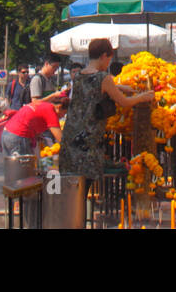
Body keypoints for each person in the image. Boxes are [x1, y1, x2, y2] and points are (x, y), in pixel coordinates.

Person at [59, 38, 156, 191]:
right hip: (88, 143)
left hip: (71, 139)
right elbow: (124, 102)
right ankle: (81, 215)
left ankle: (75, 215)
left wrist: (118, 86)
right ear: (104, 56)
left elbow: (91, 87)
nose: (108, 63)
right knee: (84, 188)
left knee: (72, 192)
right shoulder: (103, 77)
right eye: (109, 59)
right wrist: (142, 97)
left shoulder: (78, 77)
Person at [1, 95, 67, 157]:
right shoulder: (51, 111)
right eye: (64, 113)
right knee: (23, 168)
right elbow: (60, 139)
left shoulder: (42, 104)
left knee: (10, 166)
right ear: (59, 107)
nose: (63, 116)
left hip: (6, 134)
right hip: (18, 137)